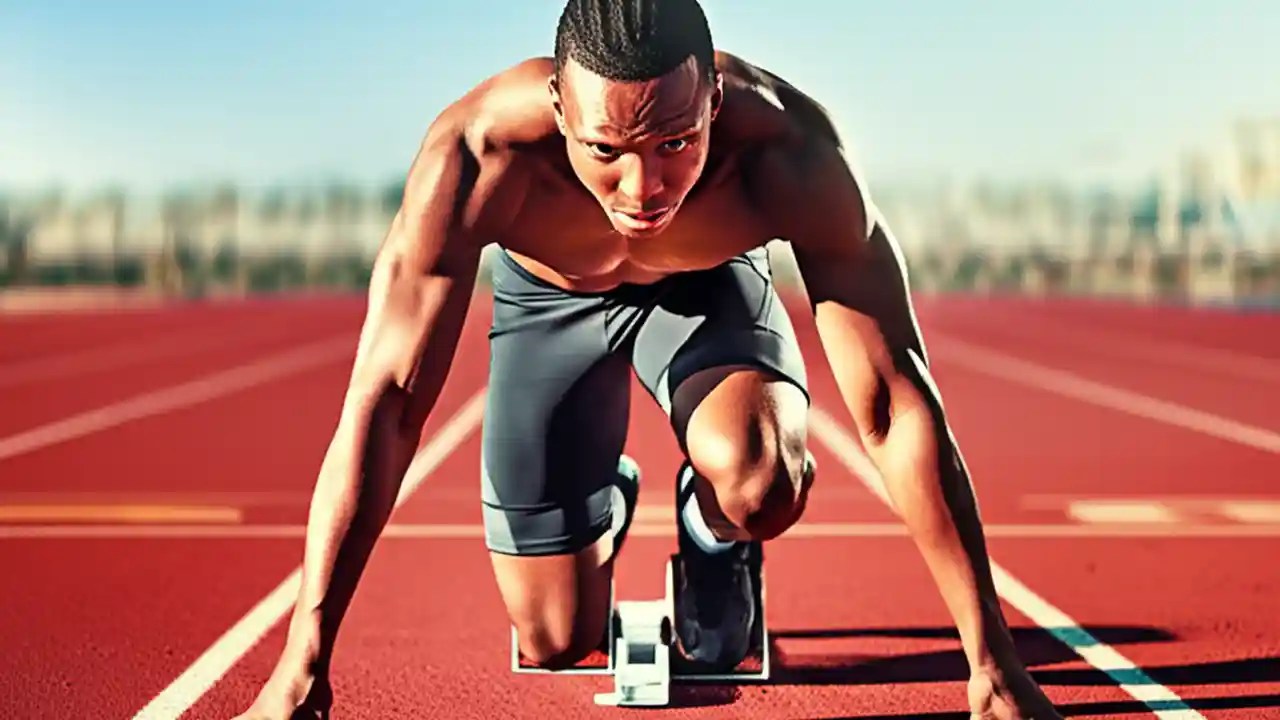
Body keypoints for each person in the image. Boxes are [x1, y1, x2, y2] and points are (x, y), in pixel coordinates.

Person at [235, 1, 1062, 718]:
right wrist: (302, 658)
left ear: (715, 93)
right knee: (556, 641)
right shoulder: (474, 159)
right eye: (605, 150)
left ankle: (712, 535)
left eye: (676, 141)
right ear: (559, 108)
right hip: (545, 303)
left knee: (764, 478)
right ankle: (608, 497)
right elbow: (388, 405)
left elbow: (892, 404)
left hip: (705, 289)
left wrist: (991, 661)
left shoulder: (791, 155)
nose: (643, 189)